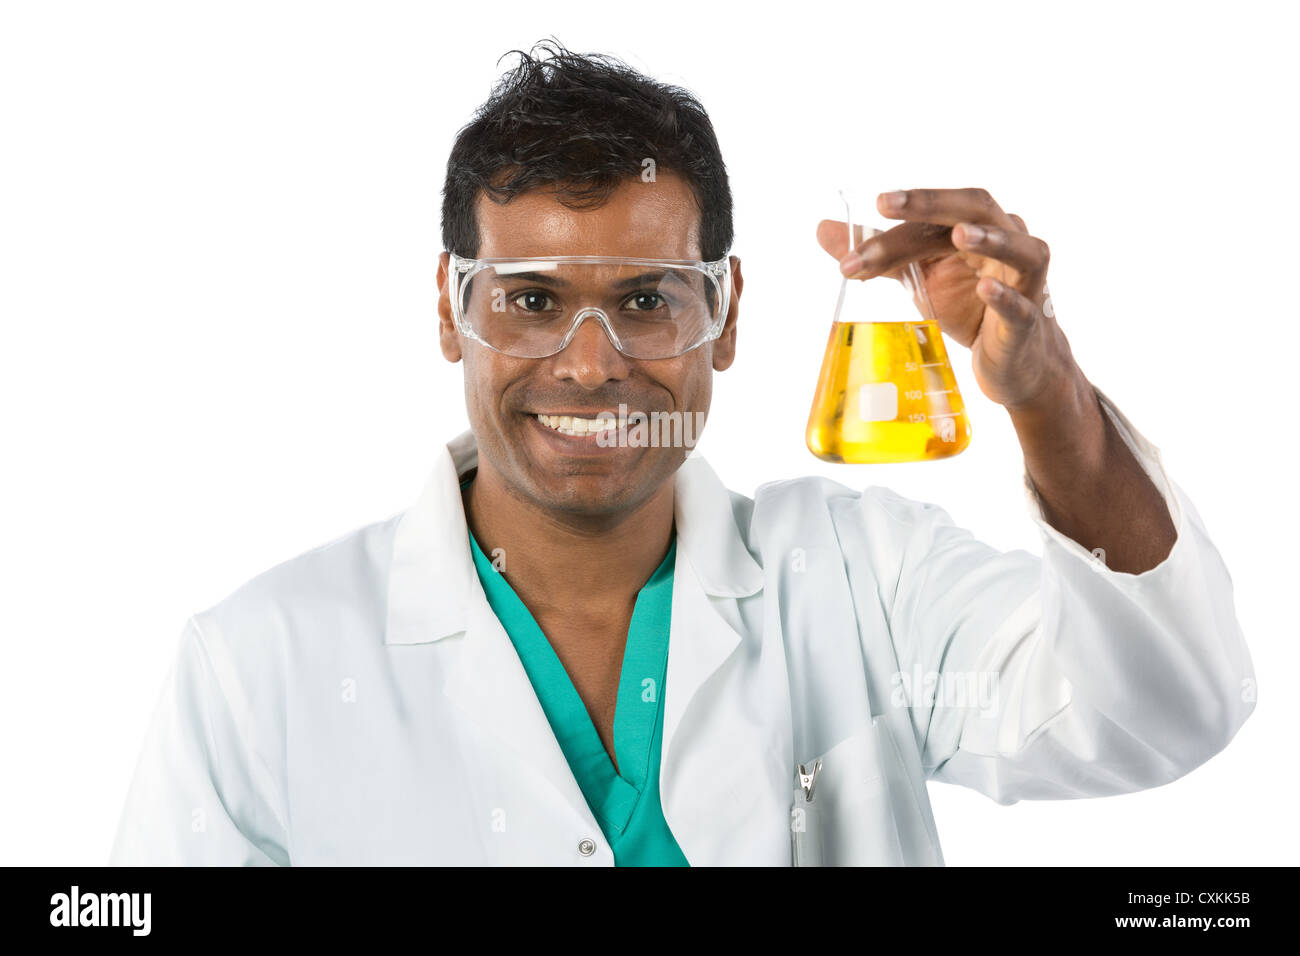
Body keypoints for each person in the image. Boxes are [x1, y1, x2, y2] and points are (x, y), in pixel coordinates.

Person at [108, 40, 1256, 866]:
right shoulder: (259, 667)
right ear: (450, 313)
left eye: (650, 297)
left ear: (731, 311)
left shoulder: (863, 581)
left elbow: (1161, 708)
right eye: (531, 298)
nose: (591, 362)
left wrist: (1046, 393)